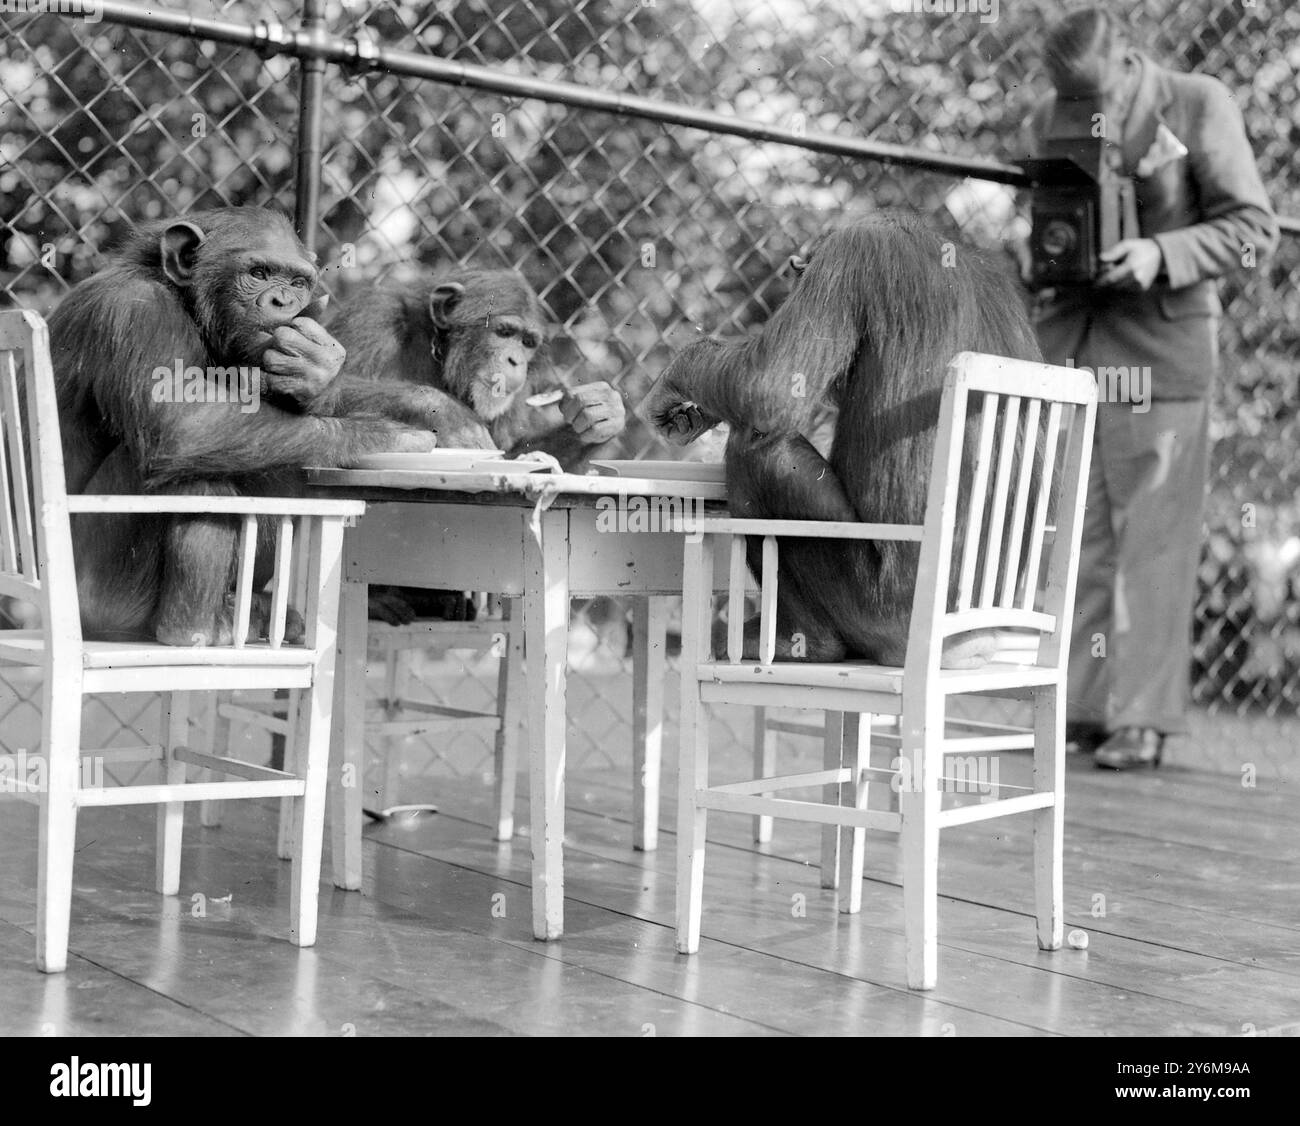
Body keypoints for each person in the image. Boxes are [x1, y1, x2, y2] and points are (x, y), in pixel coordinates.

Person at [1025, 7, 1277, 769]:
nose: (1085, 113)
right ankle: (1084, 705)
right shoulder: (1047, 116)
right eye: (1073, 100)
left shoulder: (1199, 103)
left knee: (1154, 542)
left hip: (1161, 352)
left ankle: (1141, 719)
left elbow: (1252, 228)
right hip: (1076, 346)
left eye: (1097, 95)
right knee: (1080, 537)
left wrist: (1158, 253)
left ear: (1131, 63)